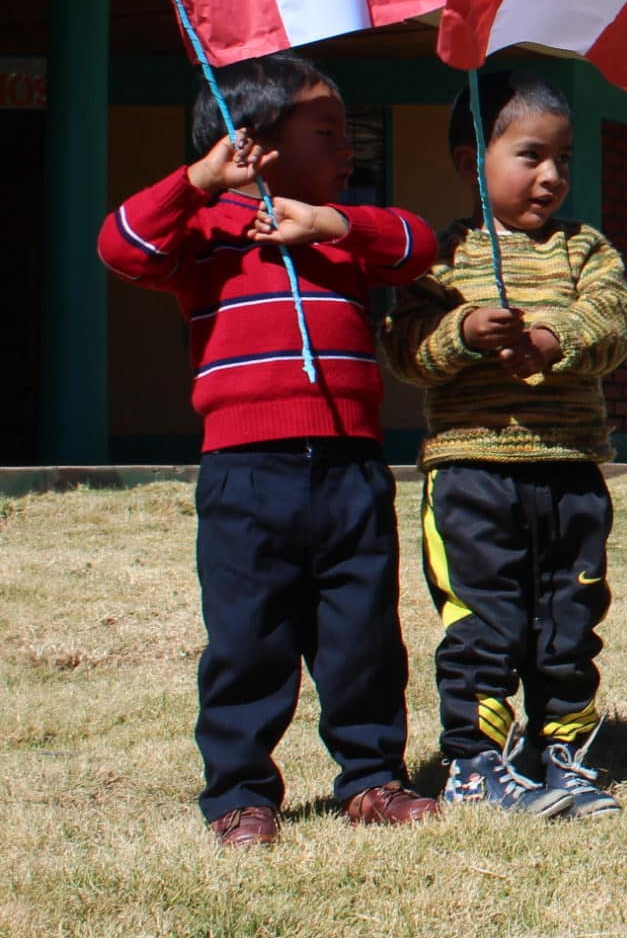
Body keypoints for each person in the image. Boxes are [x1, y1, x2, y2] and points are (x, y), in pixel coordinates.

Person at [98, 52, 442, 847]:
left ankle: (372, 777)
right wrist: (199, 180)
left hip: (353, 467)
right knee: (248, 639)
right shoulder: (201, 237)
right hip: (246, 473)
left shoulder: (345, 230)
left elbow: (417, 244)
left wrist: (328, 222)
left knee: (362, 634)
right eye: (327, 131)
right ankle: (241, 793)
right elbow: (121, 247)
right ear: (252, 142)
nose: (347, 145)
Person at [381, 72, 627, 818]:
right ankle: (473, 763)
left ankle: (562, 753)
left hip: (569, 473)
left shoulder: (586, 250)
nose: (552, 175)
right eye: (531, 155)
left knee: (568, 619)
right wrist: (459, 333)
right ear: (473, 162)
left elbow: (616, 318)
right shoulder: (439, 258)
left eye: (564, 158)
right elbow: (403, 348)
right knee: (482, 620)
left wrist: (555, 337)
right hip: (469, 475)